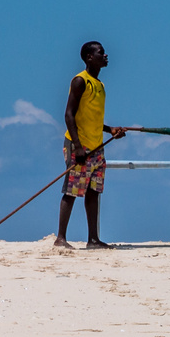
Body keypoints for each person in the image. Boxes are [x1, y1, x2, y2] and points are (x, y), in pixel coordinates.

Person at [57, 41, 126, 249]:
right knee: (72, 190)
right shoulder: (80, 81)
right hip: (79, 145)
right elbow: (69, 115)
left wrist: (111, 130)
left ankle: (93, 239)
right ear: (89, 57)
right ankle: (61, 238)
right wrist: (77, 147)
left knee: (94, 191)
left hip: (97, 147)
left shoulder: (100, 85)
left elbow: (92, 118)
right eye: (101, 53)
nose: (105, 56)